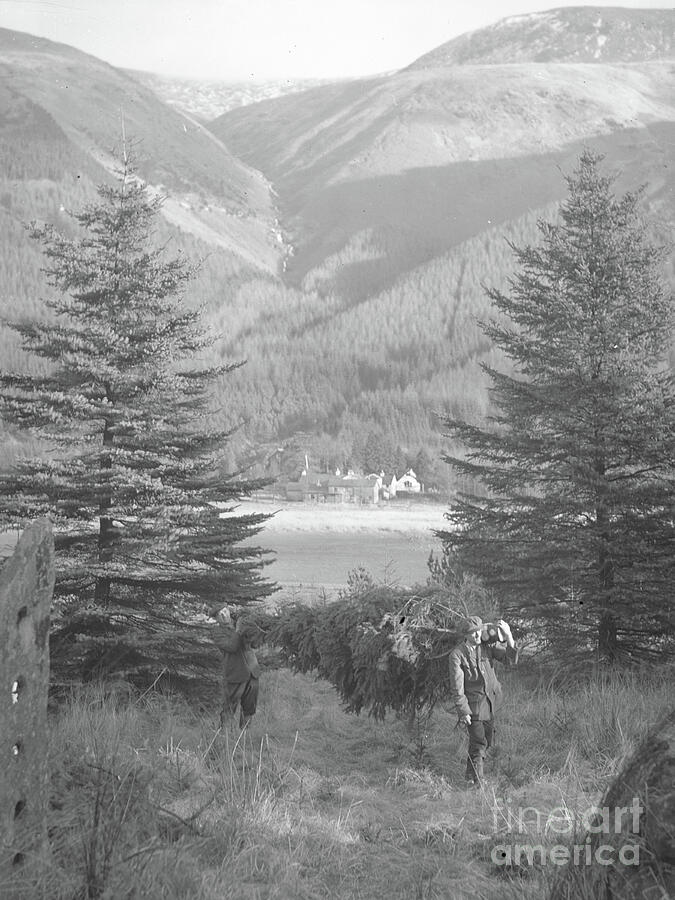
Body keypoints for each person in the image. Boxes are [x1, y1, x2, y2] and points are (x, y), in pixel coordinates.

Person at [449, 614, 518, 786]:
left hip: (490, 703)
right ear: (466, 635)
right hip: (473, 707)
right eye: (473, 633)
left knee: (485, 742)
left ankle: (469, 776)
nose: (477, 635)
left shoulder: (487, 647)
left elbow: (510, 660)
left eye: (479, 631)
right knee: (479, 742)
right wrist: (463, 711)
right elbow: (457, 687)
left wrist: (508, 635)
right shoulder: (457, 655)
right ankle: (480, 782)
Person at [212, 606, 262, 729]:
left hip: (253, 672)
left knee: (250, 708)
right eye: (219, 614)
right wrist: (239, 630)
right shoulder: (217, 632)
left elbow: (255, 644)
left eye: (224, 611)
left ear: (228, 611)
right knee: (229, 708)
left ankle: (245, 737)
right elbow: (231, 647)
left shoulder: (241, 623)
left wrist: (254, 631)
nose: (223, 615)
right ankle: (223, 737)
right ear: (216, 619)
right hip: (235, 674)